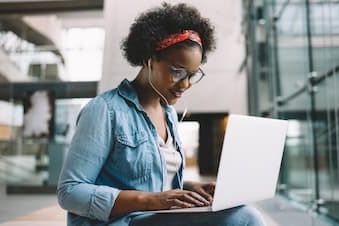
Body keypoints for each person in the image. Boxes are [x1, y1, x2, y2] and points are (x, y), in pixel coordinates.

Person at [57, 3, 265, 226]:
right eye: (177, 72)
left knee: (241, 211)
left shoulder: (168, 115)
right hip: (121, 222)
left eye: (192, 75)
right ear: (149, 60)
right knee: (244, 219)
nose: (185, 84)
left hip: (154, 218)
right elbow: (70, 192)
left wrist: (191, 188)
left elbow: (153, 179)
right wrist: (148, 200)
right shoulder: (104, 110)